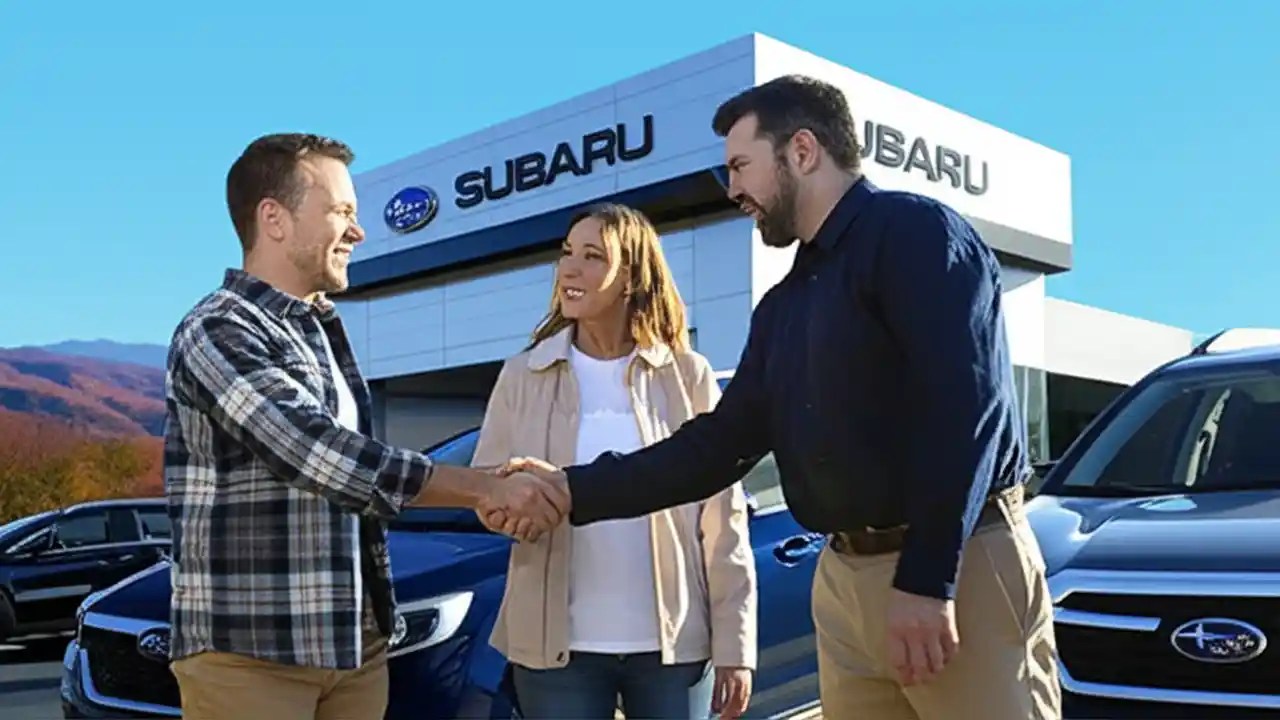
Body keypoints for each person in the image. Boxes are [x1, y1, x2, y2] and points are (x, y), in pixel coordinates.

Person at [487, 76, 1061, 719]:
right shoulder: (784, 306)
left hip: (956, 568)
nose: (733, 190)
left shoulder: (916, 235)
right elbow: (716, 447)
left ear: (803, 151)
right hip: (843, 579)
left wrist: (929, 580)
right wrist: (571, 488)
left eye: (740, 166)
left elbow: (967, 413)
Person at [163, 132, 567, 720]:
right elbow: (317, 454)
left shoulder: (322, 330)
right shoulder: (218, 329)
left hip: (354, 649)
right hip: (251, 654)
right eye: (343, 213)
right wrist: (485, 488)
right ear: (273, 218)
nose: (358, 232)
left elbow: (358, 474)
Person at [473, 204, 757, 719]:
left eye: (592, 256)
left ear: (631, 275)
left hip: (674, 649)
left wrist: (736, 648)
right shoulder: (522, 374)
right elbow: (486, 491)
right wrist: (505, 510)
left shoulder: (686, 375)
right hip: (556, 651)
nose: (569, 269)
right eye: (566, 254)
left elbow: (724, 520)